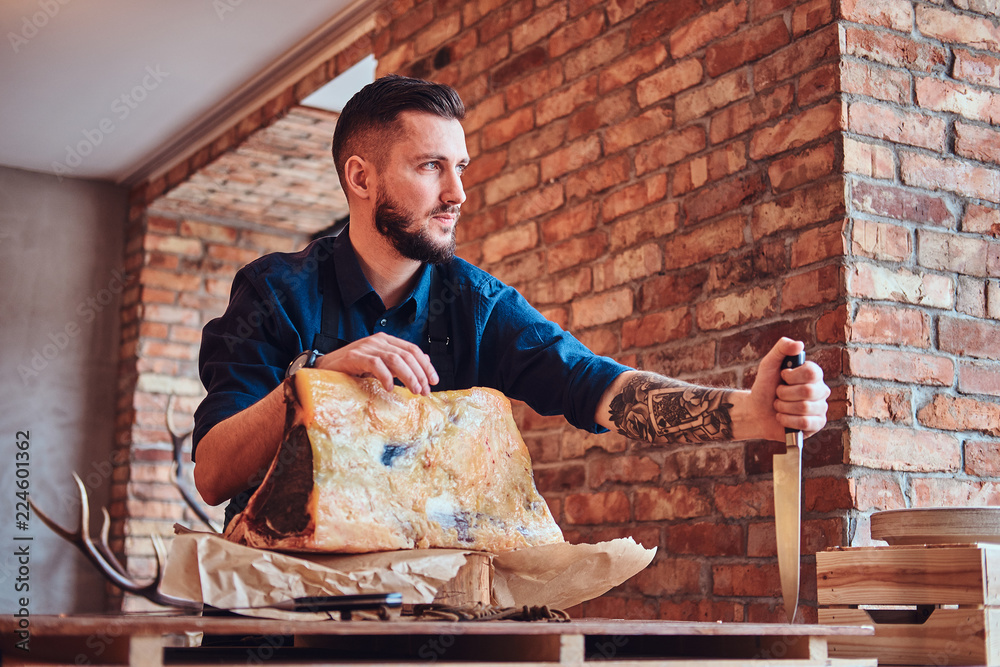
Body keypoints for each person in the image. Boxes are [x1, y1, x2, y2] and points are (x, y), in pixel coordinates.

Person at [192, 75, 830, 524]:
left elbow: (591, 383)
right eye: (429, 167)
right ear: (361, 177)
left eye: (461, 167)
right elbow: (214, 473)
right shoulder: (274, 292)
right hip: (277, 615)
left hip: (426, 619)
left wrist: (748, 414)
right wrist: (315, 381)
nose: (457, 193)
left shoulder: (476, 303)